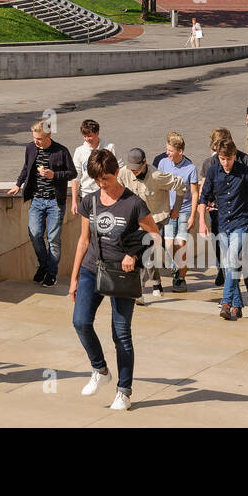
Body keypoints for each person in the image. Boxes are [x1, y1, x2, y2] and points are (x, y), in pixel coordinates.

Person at [69, 148, 161, 410]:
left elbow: (155, 235)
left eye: (106, 179)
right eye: (97, 180)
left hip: (122, 273)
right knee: (80, 322)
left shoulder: (134, 203)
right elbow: (83, 241)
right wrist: (74, 278)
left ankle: (124, 391)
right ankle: (100, 370)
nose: (102, 185)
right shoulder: (91, 201)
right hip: (91, 267)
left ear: (117, 173)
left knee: (120, 334)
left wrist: (133, 253)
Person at [198, 139, 248, 320]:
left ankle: (226, 301)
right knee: (230, 264)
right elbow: (203, 197)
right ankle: (237, 305)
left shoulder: (245, 171)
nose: (225, 163)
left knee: (232, 258)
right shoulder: (213, 170)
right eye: (222, 159)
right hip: (222, 222)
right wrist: (202, 222)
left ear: (235, 156)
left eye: (228, 159)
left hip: (241, 221)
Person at [7, 120, 77, 287]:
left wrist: (54, 175)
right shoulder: (31, 148)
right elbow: (26, 167)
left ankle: (51, 274)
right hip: (37, 200)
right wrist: (18, 184)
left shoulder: (61, 151)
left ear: (49, 136)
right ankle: (45, 265)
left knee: (53, 239)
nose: (36, 142)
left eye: (39, 139)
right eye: (34, 138)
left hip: (55, 201)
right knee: (35, 234)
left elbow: (72, 173)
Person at [117, 147, 182, 300]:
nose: (134, 172)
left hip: (156, 218)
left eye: (137, 169)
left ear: (145, 163)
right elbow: (116, 189)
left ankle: (138, 288)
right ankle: (156, 283)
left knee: (143, 250)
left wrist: (176, 208)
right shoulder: (124, 172)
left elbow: (180, 185)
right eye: (131, 169)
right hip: (135, 218)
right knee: (144, 251)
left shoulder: (157, 175)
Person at [155, 132, 199, 293]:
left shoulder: (191, 168)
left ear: (179, 151)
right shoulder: (162, 164)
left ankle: (180, 279)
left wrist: (193, 215)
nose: (167, 153)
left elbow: (195, 193)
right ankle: (176, 266)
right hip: (168, 211)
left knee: (180, 244)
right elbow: (158, 187)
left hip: (185, 210)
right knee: (168, 244)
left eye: (170, 150)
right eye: (166, 150)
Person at [69, 119, 116, 216]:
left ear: (97, 133)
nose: (87, 139)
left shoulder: (110, 148)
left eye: (89, 135)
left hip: (107, 195)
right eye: (85, 136)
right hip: (87, 196)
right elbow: (76, 177)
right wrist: (74, 201)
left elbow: (118, 171)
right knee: (88, 228)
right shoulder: (79, 151)